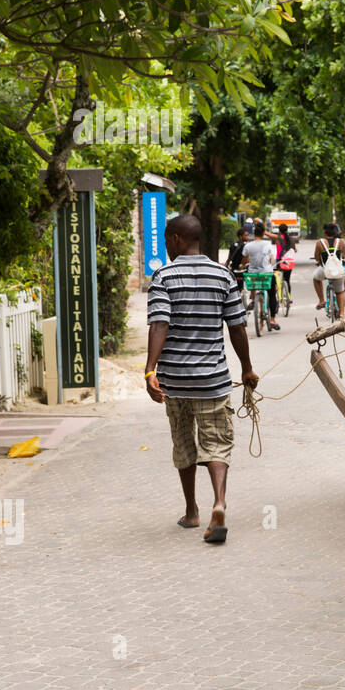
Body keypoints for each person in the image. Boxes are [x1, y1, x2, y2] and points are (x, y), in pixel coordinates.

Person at [144, 215, 258, 544]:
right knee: (217, 444)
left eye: (167, 239)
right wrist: (247, 368)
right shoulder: (223, 275)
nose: (166, 245)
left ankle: (192, 511)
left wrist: (151, 370)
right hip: (213, 379)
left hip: (175, 381)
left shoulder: (163, 276)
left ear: (178, 239)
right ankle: (219, 502)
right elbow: (237, 326)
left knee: (184, 445)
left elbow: (159, 324)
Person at [243, 222, 280, 330]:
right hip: (266, 273)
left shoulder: (248, 246)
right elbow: (272, 259)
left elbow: (245, 260)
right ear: (263, 233)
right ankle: (272, 319)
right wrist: (272, 264)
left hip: (253, 274)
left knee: (253, 285)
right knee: (272, 294)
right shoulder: (268, 244)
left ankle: (254, 300)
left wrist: (242, 265)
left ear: (253, 233)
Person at [313, 222, 345, 319]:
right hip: (337, 271)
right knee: (340, 291)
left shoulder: (319, 242)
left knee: (316, 278)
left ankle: (321, 300)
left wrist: (318, 262)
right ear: (335, 231)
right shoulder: (340, 242)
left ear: (324, 232)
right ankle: (342, 314)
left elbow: (316, 257)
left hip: (325, 270)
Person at [226, 226, 248, 297]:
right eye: (246, 235)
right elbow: (247, 259)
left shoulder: (232, 245)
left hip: (233, 270)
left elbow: (229, 258)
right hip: (242, 270)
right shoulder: (246, 246)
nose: (247, 237)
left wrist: (226, 266)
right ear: (240, 236)